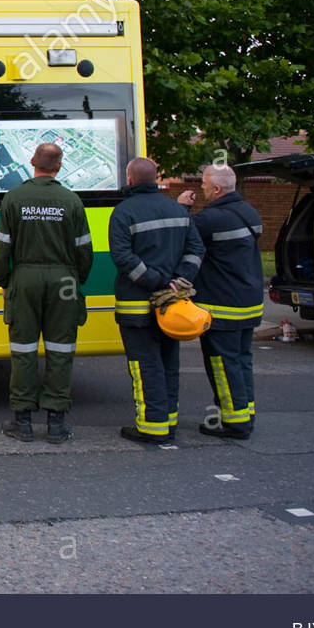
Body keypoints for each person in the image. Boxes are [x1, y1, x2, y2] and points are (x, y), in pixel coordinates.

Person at [0, 143, 93, 443]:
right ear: (59, 167)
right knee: (60, 351)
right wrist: (76, 279)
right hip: (64, 280)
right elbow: (84, 250)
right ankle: (57, 425)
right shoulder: (71, 200)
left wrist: (5, 281)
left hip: (25, 278)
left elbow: (1, 249)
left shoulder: (14, 197)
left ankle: (22, 423)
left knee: (23, 351)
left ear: (32, 162)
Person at [109, 157, 205, 444]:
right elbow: (196, 249)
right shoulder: (177, 210)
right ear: (155, 179)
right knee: (168, 363)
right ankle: (168, 421)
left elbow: (123, 257)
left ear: (129, 180)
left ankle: (152, 426)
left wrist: (155, 280)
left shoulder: (123, 212)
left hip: (137, 307)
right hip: (172, 304)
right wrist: (179, 279)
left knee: (144, 365)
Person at [177, 164, 264, 438]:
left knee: (222, 364)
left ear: (216, 189)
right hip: (248, 301)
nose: (201, 187)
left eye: (203, 183)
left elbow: (181, 236)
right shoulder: (249, 211)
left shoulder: (210, 218)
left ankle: (235, 422)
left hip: (223, 305)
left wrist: (182, 208)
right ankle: (245, 411)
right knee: (241, 360)